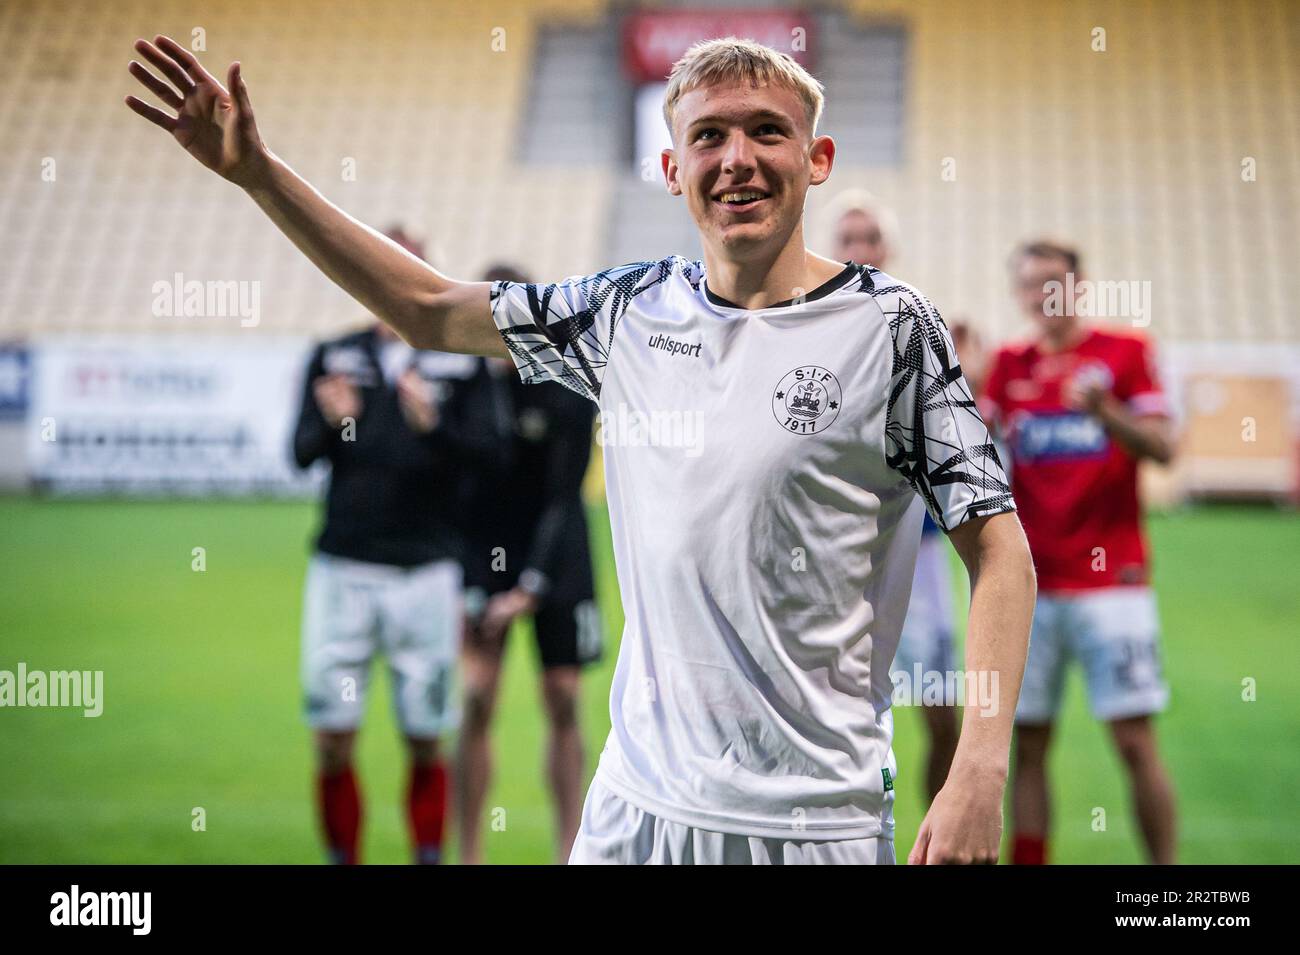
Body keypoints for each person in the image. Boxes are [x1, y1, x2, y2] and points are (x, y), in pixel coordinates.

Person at [126, 33, 1036, 865]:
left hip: (814, 822)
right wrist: (257, 176)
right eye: (710, 137)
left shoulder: (891, 327)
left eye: (769, 131)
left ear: (817, 157)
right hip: (633, 812)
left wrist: (979, 769)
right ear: (675, 167)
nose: (739, 160)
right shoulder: (625, 312)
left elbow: (1000, 551)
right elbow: (431, 312)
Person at [291, 227, 504, 864]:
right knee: (332, 736)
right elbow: (299, 455)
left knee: (423, 736)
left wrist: (433, 426)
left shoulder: (458, 361)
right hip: (345, 568)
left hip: (425, 573)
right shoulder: (335, 356)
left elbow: (491, 458)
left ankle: (428, 856)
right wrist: (333, 423)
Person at [983, 239, 1177, 864]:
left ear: (1079, 286)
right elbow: (974, 446)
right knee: (1030, 744)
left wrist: (1105, 412)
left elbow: (1163, 448)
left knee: (1133, 743)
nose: (1044, 295)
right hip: (1031, 586)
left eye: (1054, 282)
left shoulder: (1125, 353)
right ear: (1019, 293)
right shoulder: (1010, 364)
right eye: (1031, 284)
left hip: (1112, 581)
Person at [457, 265, 603, 865]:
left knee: (565, 697)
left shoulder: (566, 386)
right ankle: (466, 853)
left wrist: (533, 585)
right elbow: (455, 486)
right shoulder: (467, 387)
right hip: (484, 556)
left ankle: (570, 850)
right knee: (474, 698)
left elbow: (565, 494)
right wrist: (473, 581)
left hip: (559, 552)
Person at [829, 190, 958, 805]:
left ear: (888, 249)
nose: (860, 251)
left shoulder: (921, 330)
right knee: (844, 716)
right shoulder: (812, 337)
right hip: (841, 560)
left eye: (870, 239)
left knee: (942, 711)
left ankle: (937, 836)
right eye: (849, 240)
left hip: (923, 555)